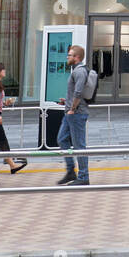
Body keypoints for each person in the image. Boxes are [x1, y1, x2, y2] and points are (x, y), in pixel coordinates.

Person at [57, 45, 92, 185]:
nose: (67, 57)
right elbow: (76, 94)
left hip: (76, 114)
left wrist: (72, 108)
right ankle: (71, 171)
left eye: (70, 55)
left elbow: (78, 93)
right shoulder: (76, 71)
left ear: (77, 57)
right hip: (71, 112)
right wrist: (67, 102)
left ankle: (84, 177)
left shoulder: (79, 72)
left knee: (79, 145)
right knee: (62, 139)